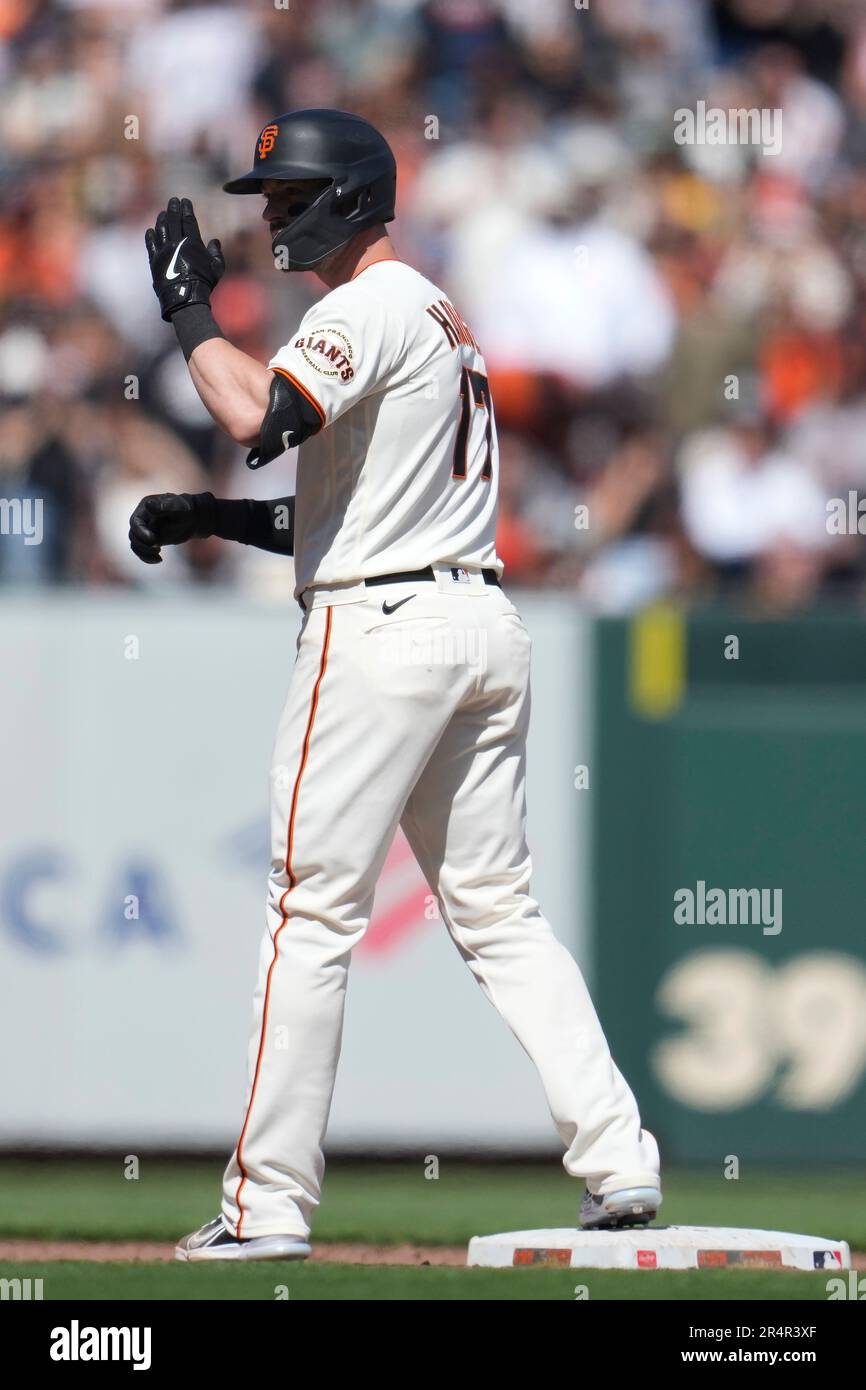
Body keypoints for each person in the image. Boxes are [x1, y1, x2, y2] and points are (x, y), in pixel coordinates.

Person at [129, 108, 661, 1262]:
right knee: (502, 916)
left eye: (285, 196)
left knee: (308, 911)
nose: (269, 215)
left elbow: (249, 417)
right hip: (473, 615)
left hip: (380, 629)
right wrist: (217, 519)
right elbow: (354, 507)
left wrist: (184, 313)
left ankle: (264, 1207)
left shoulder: (363, 305)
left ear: (347, 197)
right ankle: (619, 1163)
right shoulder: (438, 314)